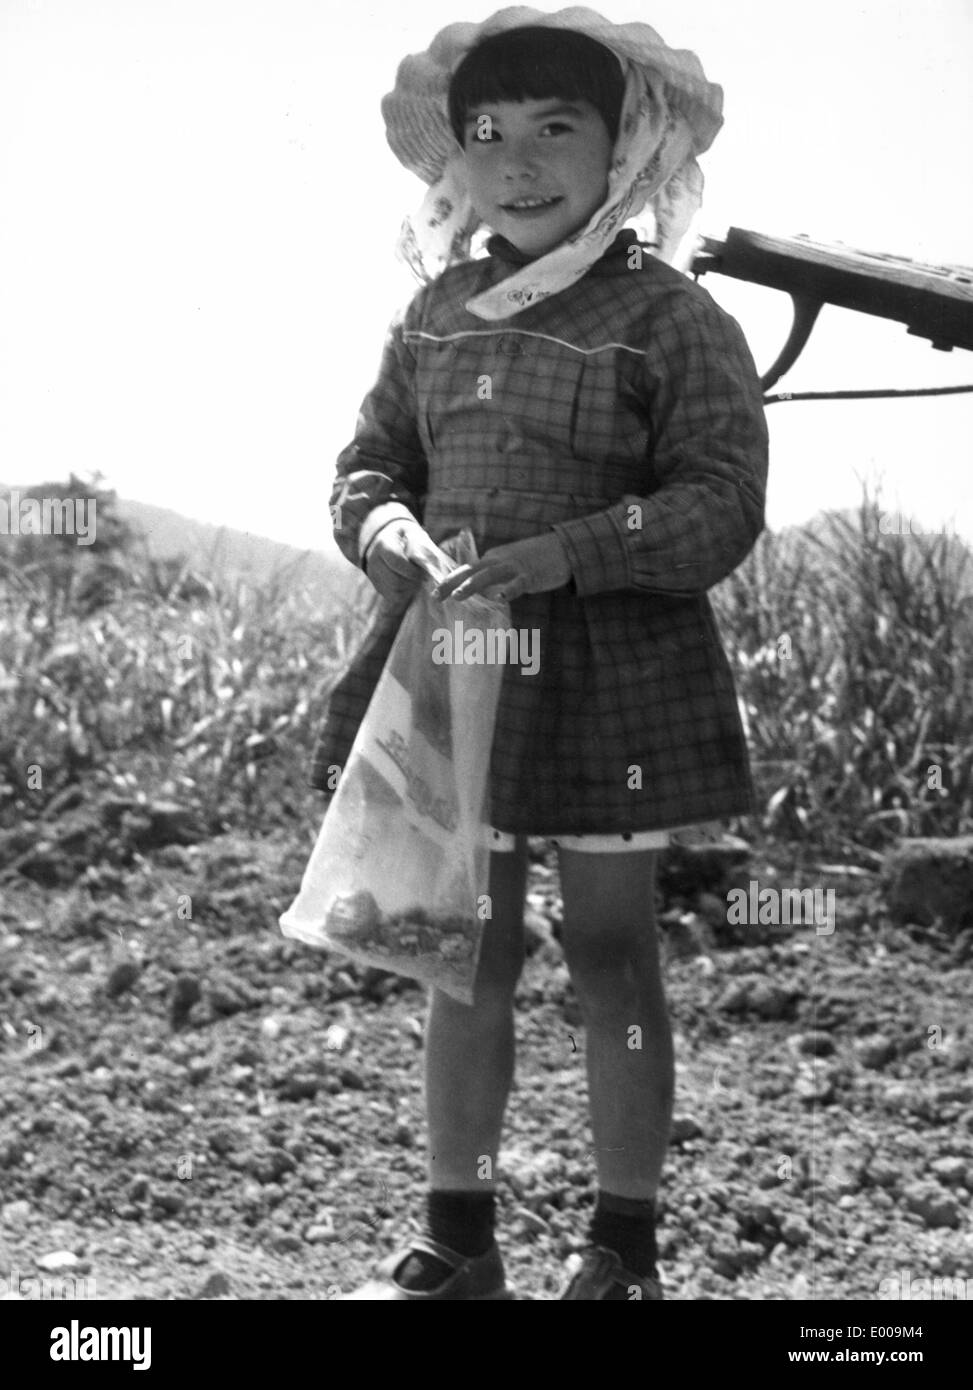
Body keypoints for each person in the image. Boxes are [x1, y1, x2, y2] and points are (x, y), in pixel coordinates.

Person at [310, 7, 769, 1300]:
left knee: (614, 952)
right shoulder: (436, 315)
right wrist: (386, 523)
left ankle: (620, 1250)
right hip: (455, 664)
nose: (517, 160)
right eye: (487, 134)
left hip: (610, 681)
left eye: (554, 128)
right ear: (452, 164)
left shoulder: (667, 321)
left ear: (621, 148)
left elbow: (720, 500)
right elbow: (364, 467)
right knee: (464, 945)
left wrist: (573, 549)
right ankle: (456, 1239)